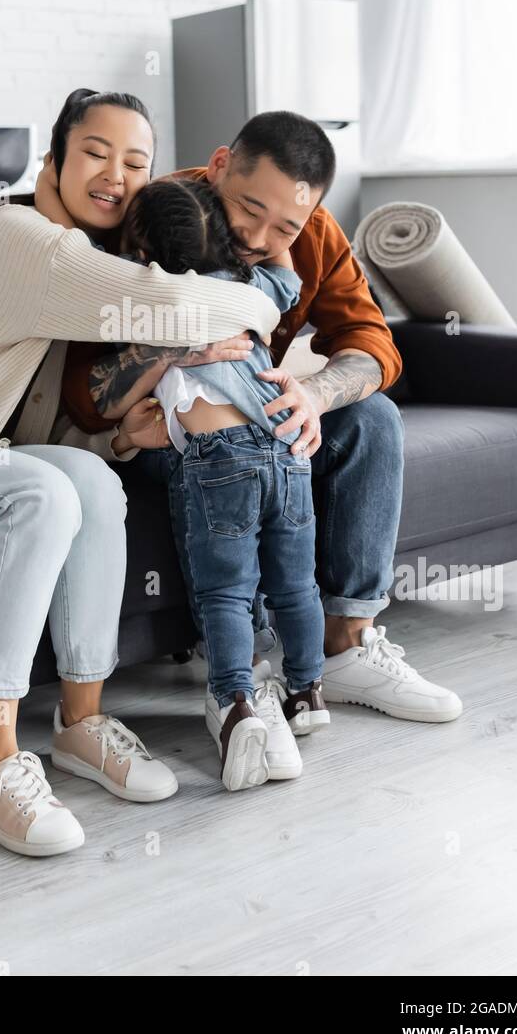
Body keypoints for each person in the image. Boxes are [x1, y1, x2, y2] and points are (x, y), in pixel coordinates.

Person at [0, 89, 281, 860]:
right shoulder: (23, 238)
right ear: (54, 160)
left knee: (90, 484)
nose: (114, 174)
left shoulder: (72, 263)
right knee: (37, 494)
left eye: (134, 162)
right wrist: (261, 303)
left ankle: (80, 721)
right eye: (95, 153)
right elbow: (160, 305)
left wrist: (116, 445)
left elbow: (30, 427)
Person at [60, 111, 464, 726]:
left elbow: (371, 340)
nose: (261, 238)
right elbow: (84, 392)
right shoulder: (155, 216)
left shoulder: (314, 234)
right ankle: (242, 671)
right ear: (220, 165)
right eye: (250, 210)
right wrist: (171, 350)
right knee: (219, 449)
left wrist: (316, 394)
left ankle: (347, 645)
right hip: (168, 429)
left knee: (373, 419)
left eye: (286, 227)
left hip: (263, 420)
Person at [118, 176, 331, 792]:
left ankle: (237, 704)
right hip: (288, 446)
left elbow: (111, 388)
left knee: (227, 594)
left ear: (142, 257)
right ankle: (308, 690)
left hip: (218, 460)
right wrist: (267, 249)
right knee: (295, 584)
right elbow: (289, 277)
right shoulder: (253, 290)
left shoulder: (158, 304)